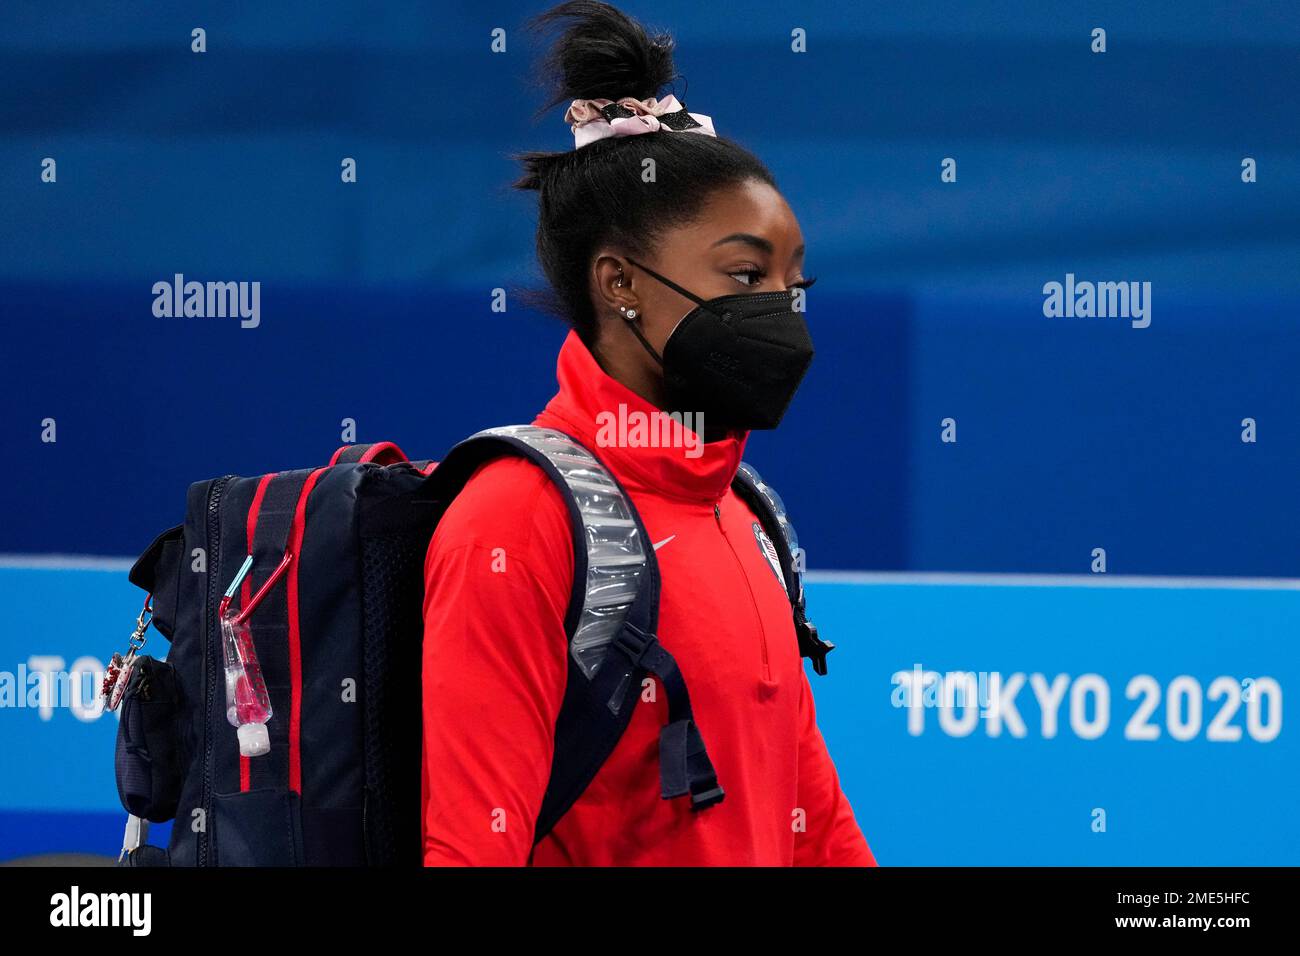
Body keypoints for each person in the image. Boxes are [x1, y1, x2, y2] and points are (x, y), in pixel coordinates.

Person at [420, 0, 876, 866]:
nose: (781, 312)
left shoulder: (745, 512)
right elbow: (471, 848)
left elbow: (813, 823)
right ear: (620, 282)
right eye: (746, 275)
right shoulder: (514, 519)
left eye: (793, 283)